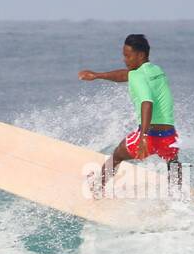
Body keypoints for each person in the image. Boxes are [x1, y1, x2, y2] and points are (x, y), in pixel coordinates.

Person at [78, 34, 182, 198]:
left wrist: (143, 137)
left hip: (151, 135)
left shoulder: (137, 76)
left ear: (140, 55)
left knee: (118, 154)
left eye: (128, 55)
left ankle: (97, 188)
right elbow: (125, 75)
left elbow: (147, 102)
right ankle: (177, 195)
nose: (124, 59)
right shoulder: (157, 71)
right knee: (173, 160)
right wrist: (98, 75)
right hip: (169, 135)